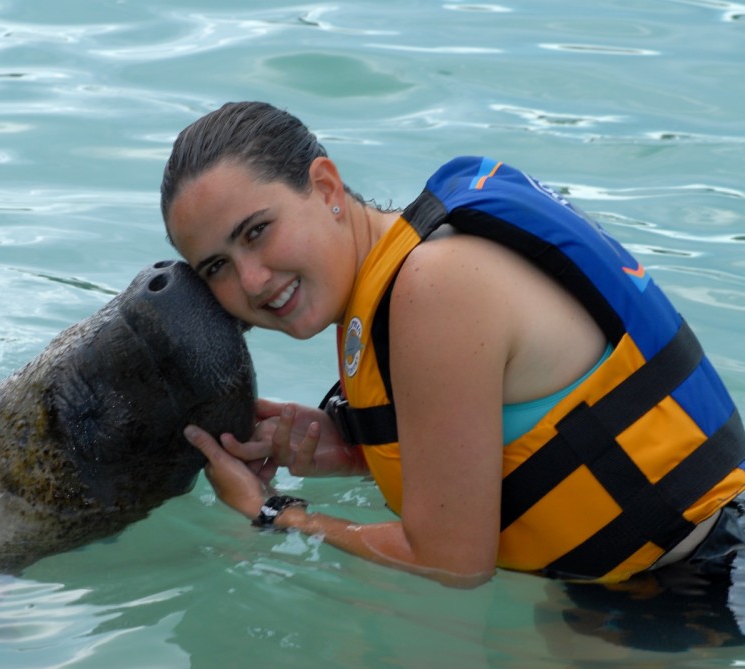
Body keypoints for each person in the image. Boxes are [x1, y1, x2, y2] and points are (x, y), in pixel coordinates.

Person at [160, 101, 745, 587]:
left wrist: (272, 512)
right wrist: (355, 451)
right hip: (666, 577)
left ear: (326, 186)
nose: (251, 281)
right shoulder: (398, 276)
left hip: (711, 582)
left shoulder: (434, 285)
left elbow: (451, 564)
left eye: (257, 231)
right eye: (217, 267)